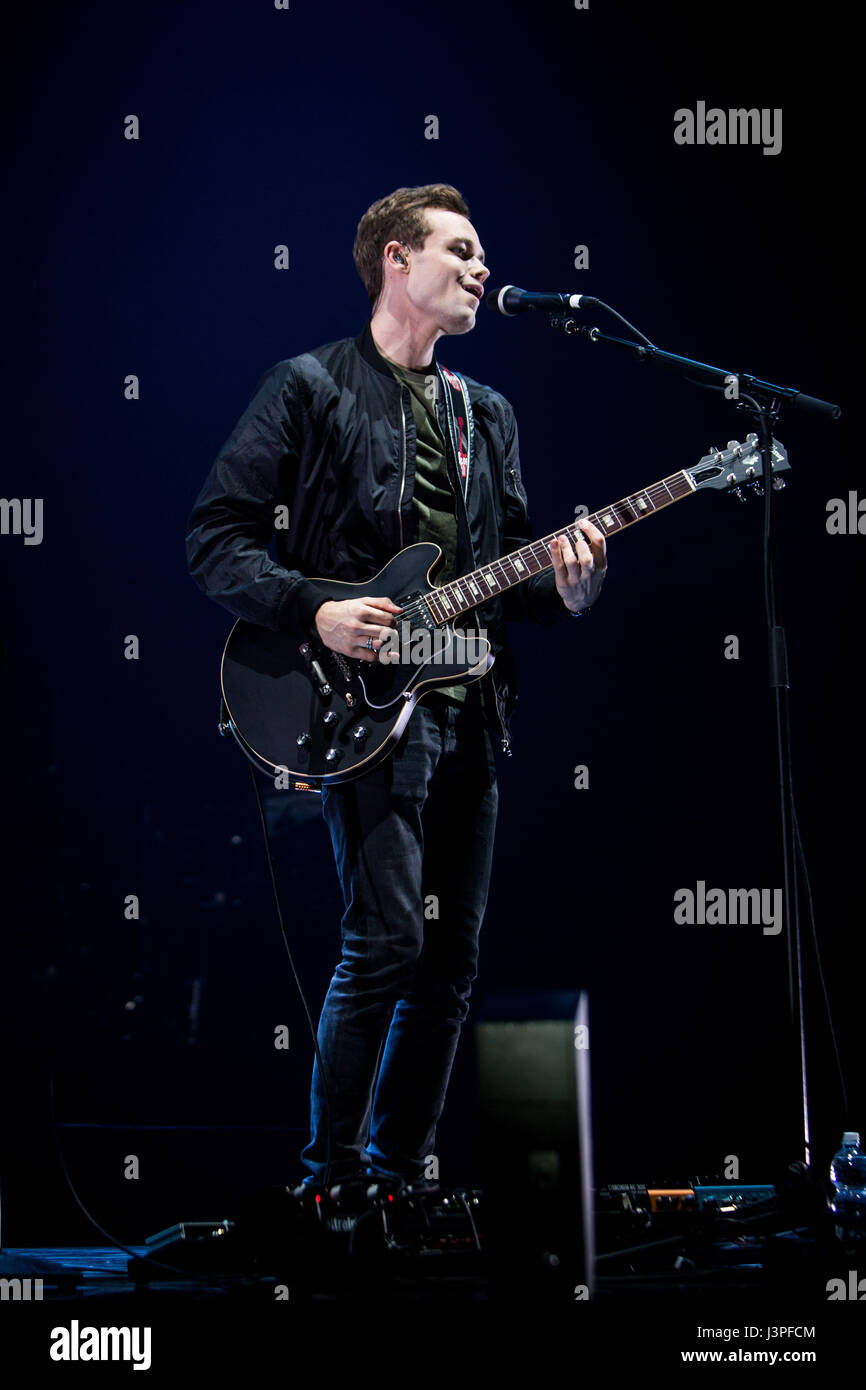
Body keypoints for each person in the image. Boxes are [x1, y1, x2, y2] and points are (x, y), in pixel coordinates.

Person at [185, 184, 607, 1192]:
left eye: (480, 254)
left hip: (467, 707)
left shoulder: (483, 414)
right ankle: (327, 1181)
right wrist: (316, 609)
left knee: (449, 962)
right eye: (459, 251)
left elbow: (508, 582)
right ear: (394, 261)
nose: (479, 269)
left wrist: (569, 586)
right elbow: (214, 539)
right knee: (386, 940)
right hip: (357, 706)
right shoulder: (308, 387)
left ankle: (397, 1171)